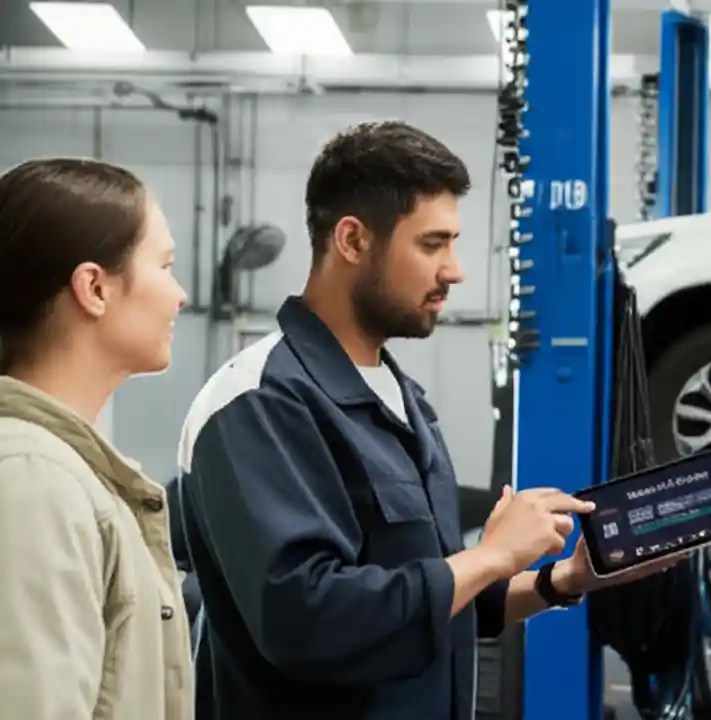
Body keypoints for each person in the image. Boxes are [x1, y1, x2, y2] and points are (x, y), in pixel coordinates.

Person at [176, 120, 670, 720]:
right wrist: (489, 556)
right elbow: (307, 621)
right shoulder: (259, 402)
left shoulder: (402, 400)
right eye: (432, 244)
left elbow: (434, 605)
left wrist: (561, 580)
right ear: (352, 240)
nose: (454, 270)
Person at [0, 158, 194, 719]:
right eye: (164, 265)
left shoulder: (63, 474)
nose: (180, 295)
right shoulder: (33, 481)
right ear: (94, 287)